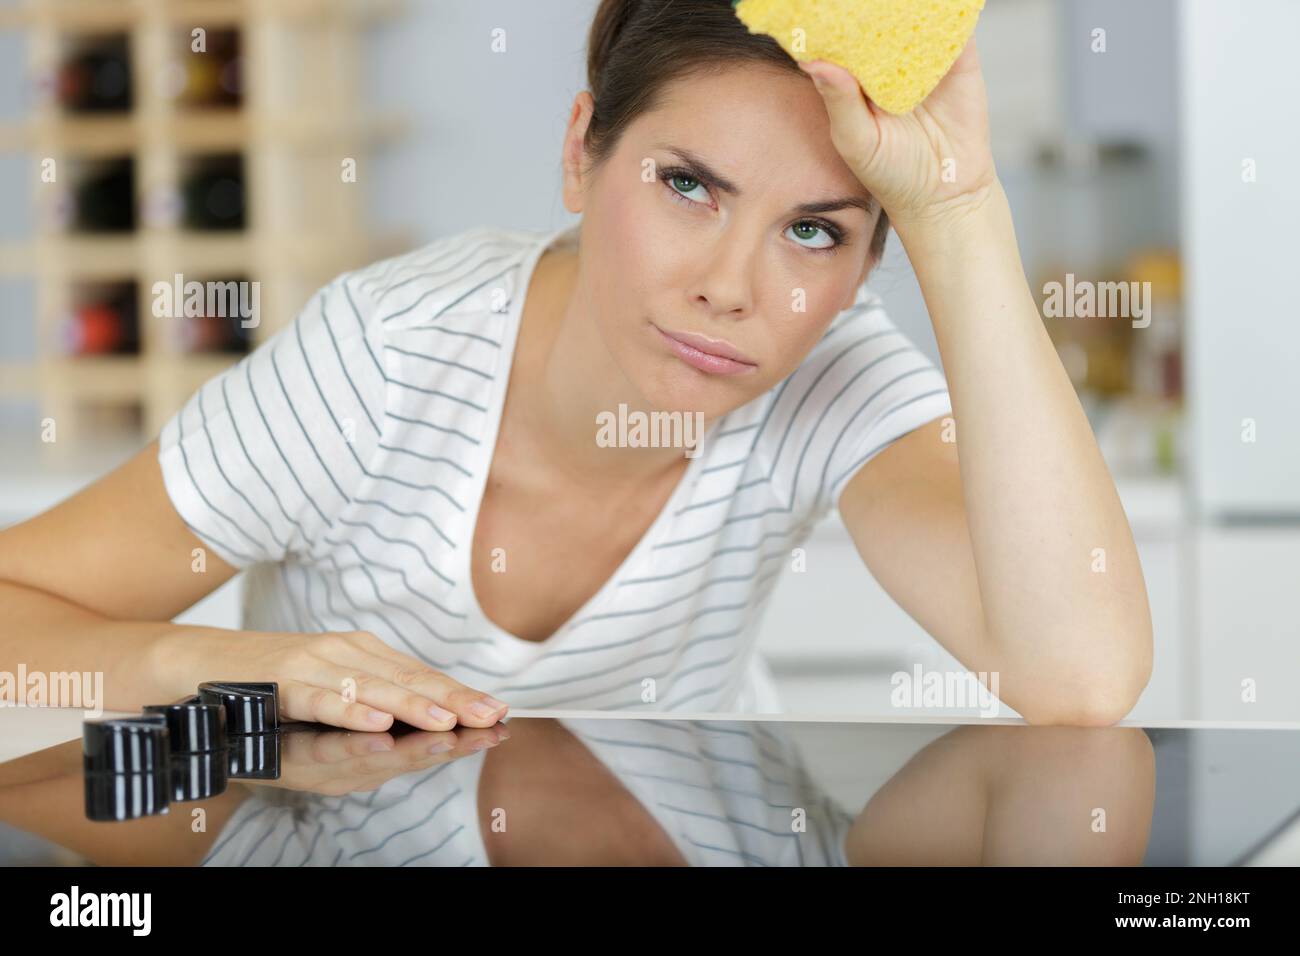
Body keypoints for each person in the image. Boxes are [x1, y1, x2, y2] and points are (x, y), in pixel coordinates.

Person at [0, 0, 1152, 731]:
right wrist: (235, 663)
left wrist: (955, 210)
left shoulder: (824, 373)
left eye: (816, 230)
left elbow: (1080, 677)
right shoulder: (383, 363)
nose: (732, 286)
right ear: (578, 150)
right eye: (687, 184)